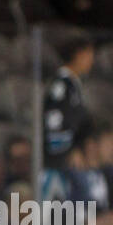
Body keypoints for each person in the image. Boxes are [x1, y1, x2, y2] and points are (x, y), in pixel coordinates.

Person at [43, 30, 94, 170]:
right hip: (58, 160)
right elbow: (54, 118)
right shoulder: (61, 85)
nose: (91, 60)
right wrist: (65, 151)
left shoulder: (73, 84)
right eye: (89, 54)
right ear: (78, 55)